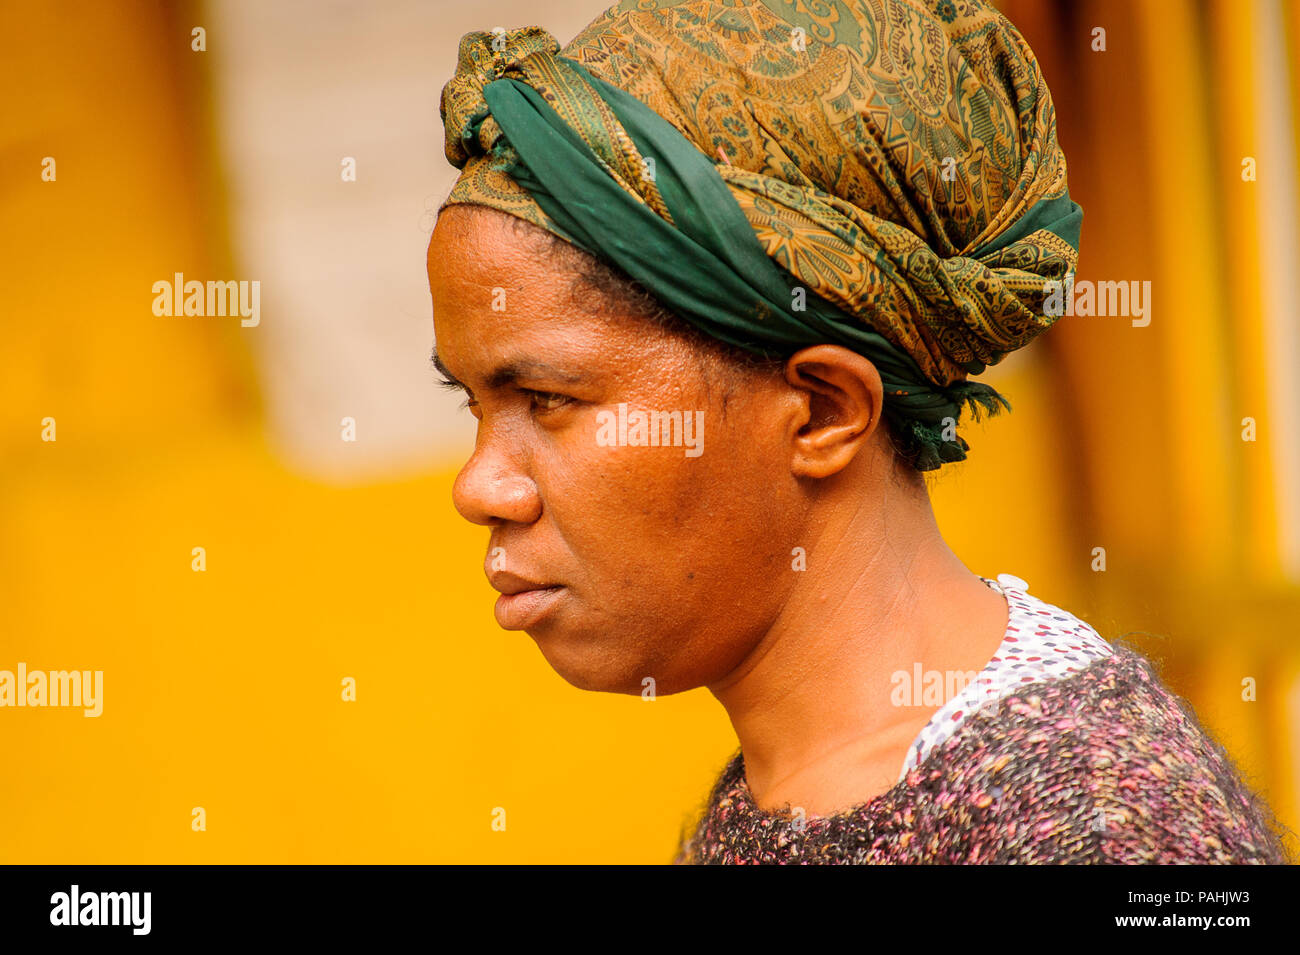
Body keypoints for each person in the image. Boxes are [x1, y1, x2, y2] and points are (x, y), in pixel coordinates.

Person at [426, 0, 1290, 863]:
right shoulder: (774, 807)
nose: (479, 486)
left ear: (824, 411)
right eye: (473, 404)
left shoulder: (1100, 821)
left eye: (546, 398)